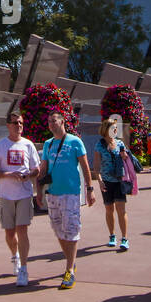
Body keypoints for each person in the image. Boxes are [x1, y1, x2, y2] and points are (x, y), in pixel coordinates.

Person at [36, 111, 97, 290]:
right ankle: (72, 260)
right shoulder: (48, 144)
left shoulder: (75, 141)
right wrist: (38, 191)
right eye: (49, 121)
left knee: (70, 229)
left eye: (54, 120)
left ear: (62, 122)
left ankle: (69, 269)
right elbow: (43, 169)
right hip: (53, 193)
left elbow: (85, 166)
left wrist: (90, 189)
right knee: (58, 229)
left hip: (71, 193)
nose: (51, 124)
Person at [0, 111, 41, 286]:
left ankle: (23, 270)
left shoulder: (28, 145)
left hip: (24, 194)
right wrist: (8, 174)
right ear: (8, 125)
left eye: (21, 123)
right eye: (15, 123)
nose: (19, 126)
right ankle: (14, 256)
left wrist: (28, 175)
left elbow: (37, 169)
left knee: (22, 230)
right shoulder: (1, 145)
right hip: (5, 195)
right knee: (10, 233)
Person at [94, 118, 131, 251]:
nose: (115, 130)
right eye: (113, 128)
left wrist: (124, 156)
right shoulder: (99, 145)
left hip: (119, 181)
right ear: (106, 129)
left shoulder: (120, 143)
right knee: (109, 209)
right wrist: (99, 181)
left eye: (116, 128)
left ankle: (125, 238)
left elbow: (127, 160)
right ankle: (112, 235)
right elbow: (97, 167)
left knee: (121, 210)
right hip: (106, 182)